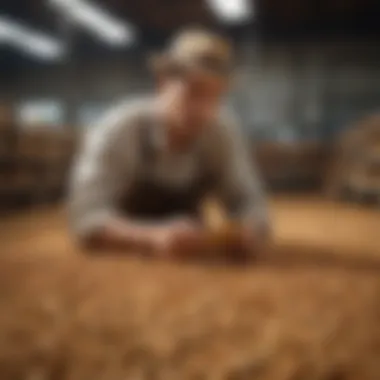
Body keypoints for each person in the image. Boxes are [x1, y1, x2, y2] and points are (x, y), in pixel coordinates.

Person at [68, 28, 271, 259]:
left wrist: (249, 230)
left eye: (215, 97)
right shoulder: (120, 129)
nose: (204, 111)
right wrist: (149, 236)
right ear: (163, 82)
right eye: (194, 91)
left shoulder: (221, 134)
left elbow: (251, 203)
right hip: (126, 256)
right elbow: (85, 216)